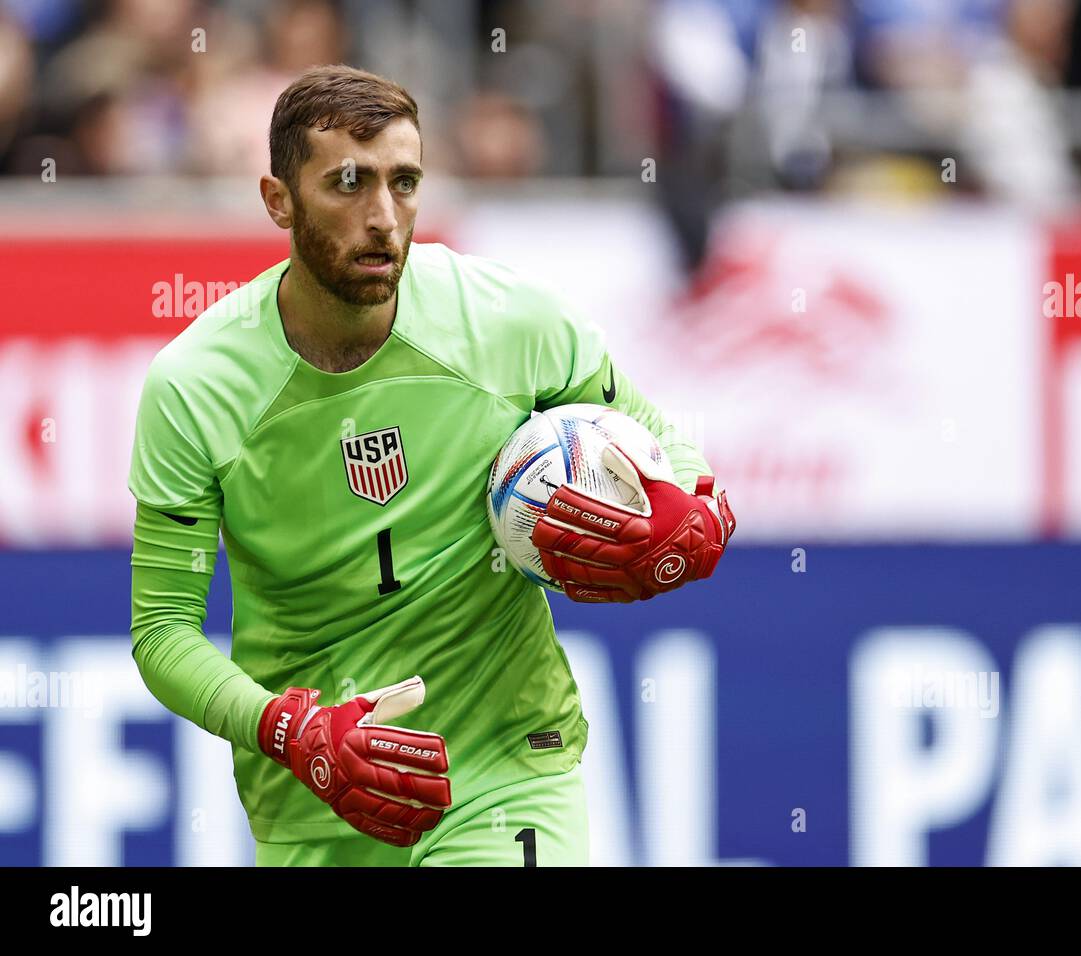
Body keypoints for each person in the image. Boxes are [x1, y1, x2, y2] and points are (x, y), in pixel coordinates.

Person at [127, 64, 735, 867]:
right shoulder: (194, 386)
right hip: (319, 796)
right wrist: (288, 727)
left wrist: (690, 515)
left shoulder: (505, 317)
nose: (383, 217)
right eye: (348, 182)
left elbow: (667, 447)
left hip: (505, 762)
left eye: (403, 182)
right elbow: (162, 632)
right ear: (278, 199)